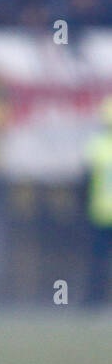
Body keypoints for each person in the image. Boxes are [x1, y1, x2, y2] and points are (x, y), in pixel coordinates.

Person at [83, 98, 112, 305]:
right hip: (101, 214)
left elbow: (84, 183)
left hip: (100, 212)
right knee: (98, 262)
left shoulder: (97, 146)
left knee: (98, 262)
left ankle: (93, 301)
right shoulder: (97, 146)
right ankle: (93, 300)